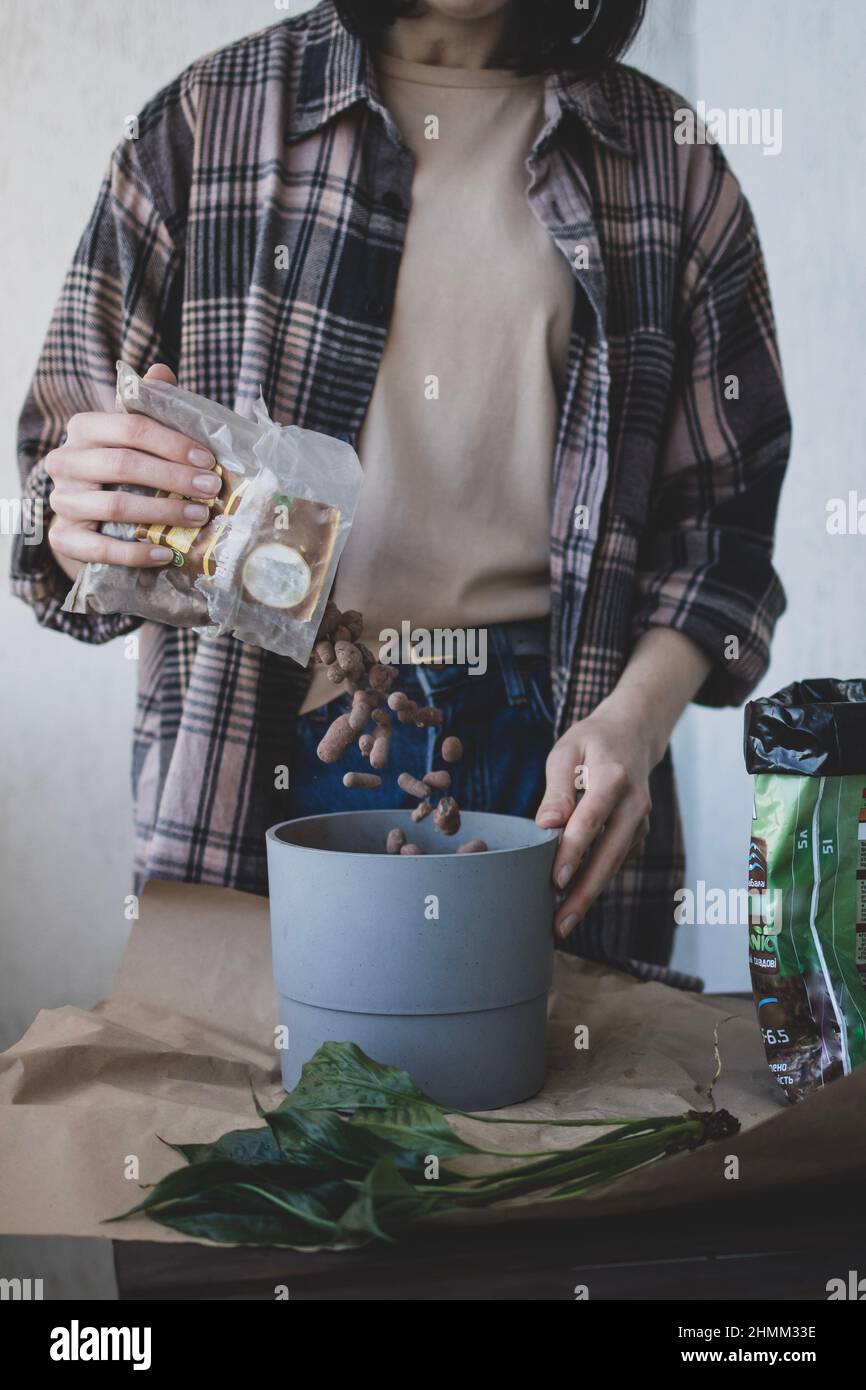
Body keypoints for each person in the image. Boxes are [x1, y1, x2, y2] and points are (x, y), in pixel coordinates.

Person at [11, 0, 790, 970]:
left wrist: (633, 720)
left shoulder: (664, 158)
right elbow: (45, 498)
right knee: (276, 1108)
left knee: (549, 1104)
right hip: (263, 738)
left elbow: (721, 531)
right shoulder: (204, 122)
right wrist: (78, 512)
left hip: (555, 745)